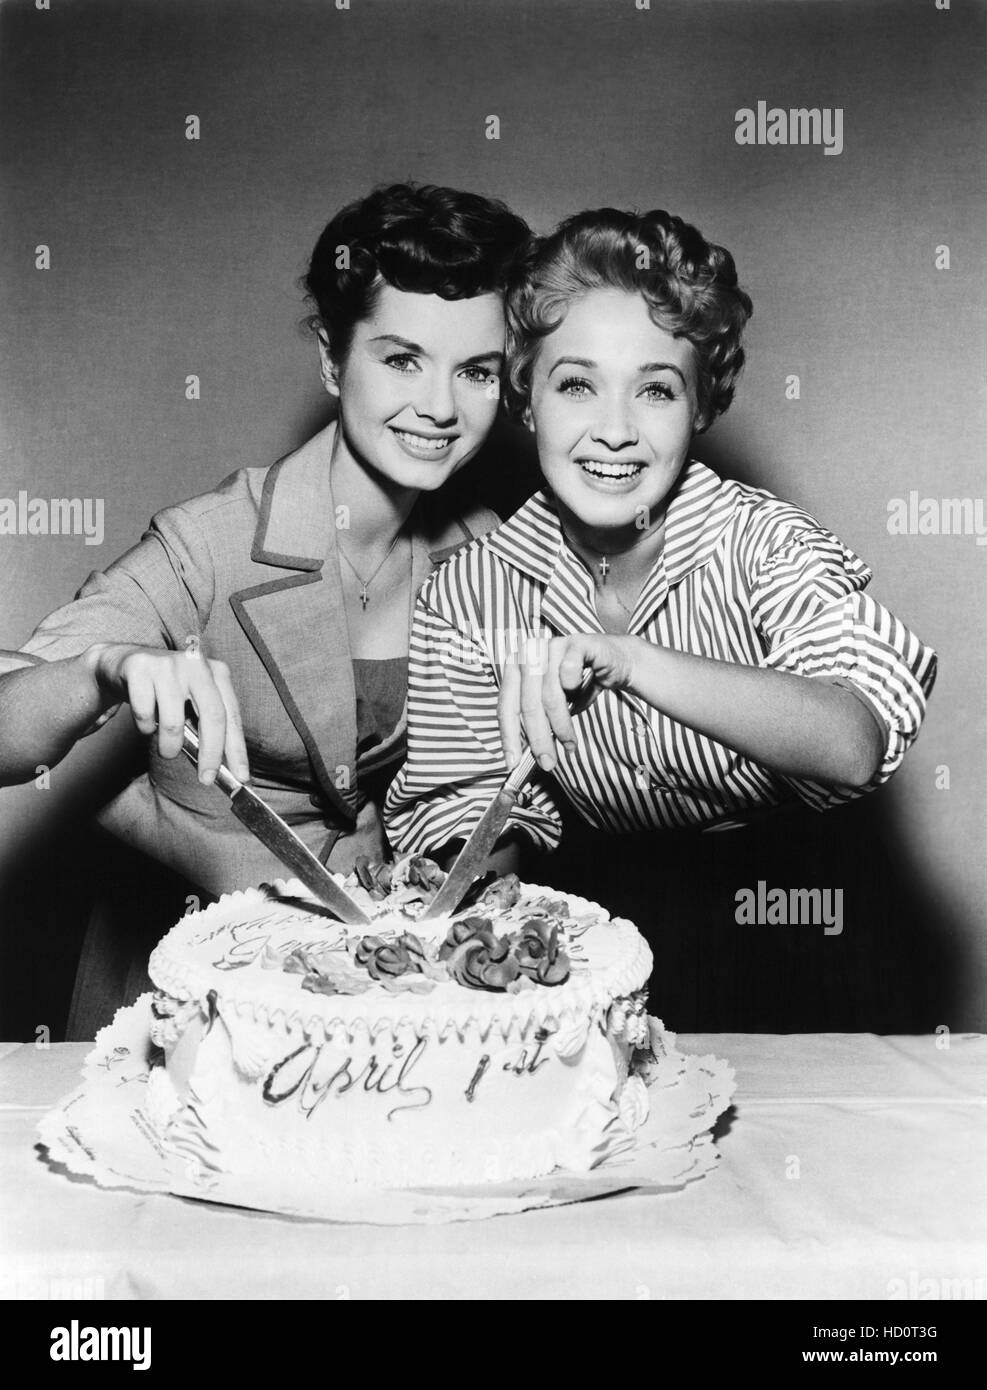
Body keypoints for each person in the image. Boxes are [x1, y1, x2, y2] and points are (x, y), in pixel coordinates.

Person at [384, 207, 938, 1028]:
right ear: (525, 399)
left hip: (801, 928)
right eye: (575, 384)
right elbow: (474, 838)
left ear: (700, 405)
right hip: (587, 940)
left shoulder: (763, 545)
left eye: (654, 388)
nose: (614, 431)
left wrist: (632, 660)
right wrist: (487, 942)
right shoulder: (468, 593)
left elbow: (853, 743)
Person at [0, 182, 532, 1028]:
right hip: (189, 993)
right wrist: (108, 669)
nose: (439, 407)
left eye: (474, 371)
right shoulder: (208, 544)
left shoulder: (492, 547)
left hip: (388, 1005)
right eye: (400, 359)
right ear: (331, 357)